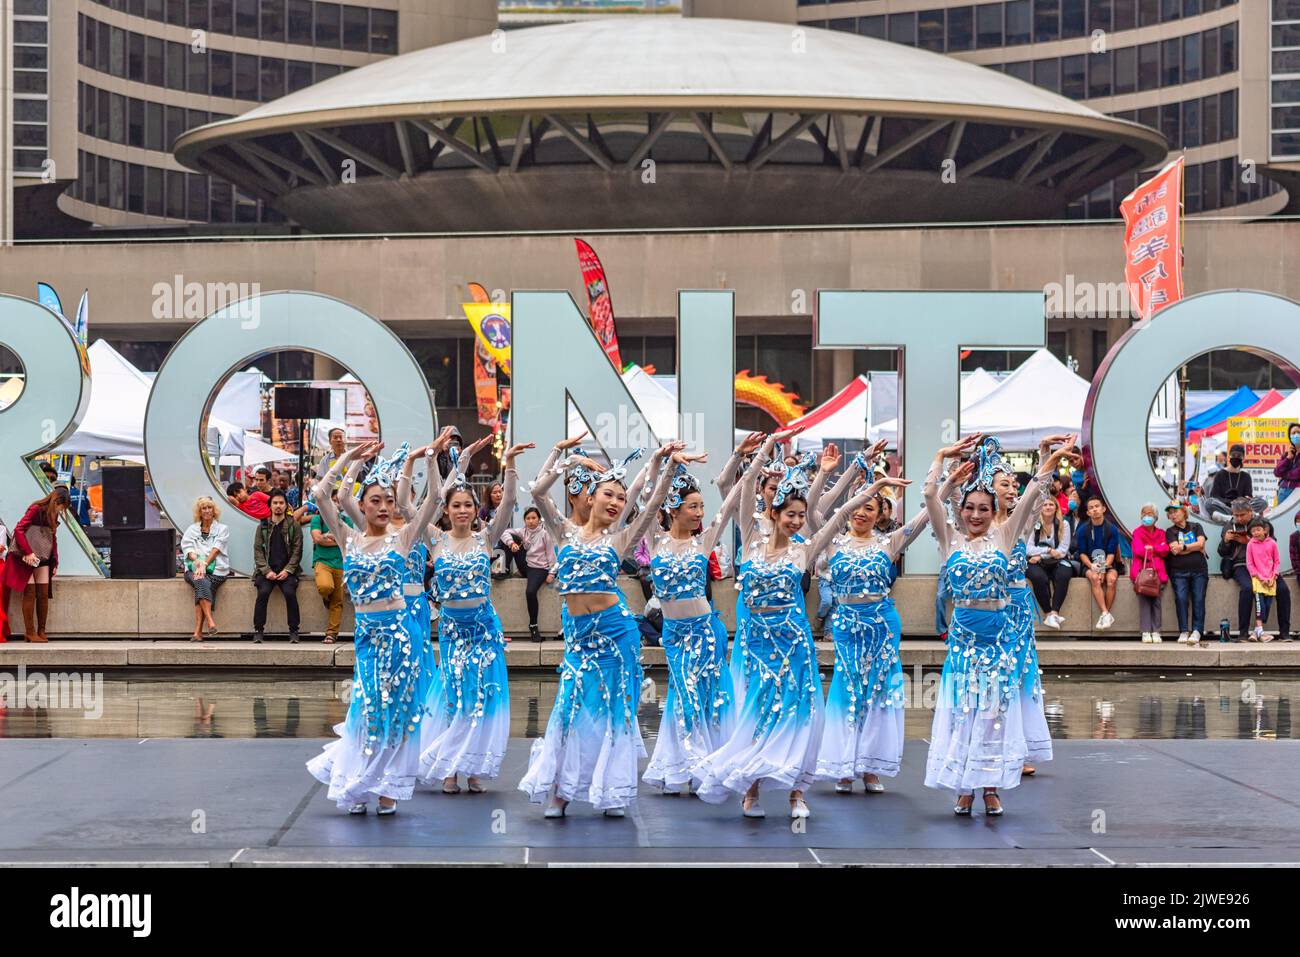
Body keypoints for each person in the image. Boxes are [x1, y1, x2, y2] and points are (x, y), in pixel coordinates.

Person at [694, 433, 891, 820]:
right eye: (792, 515)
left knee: (801, 715)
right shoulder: (750, 537)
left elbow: (836, 515)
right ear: (774, 512)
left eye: (802, 516)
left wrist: (874, 483)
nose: (798, 521)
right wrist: (761, 453)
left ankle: (798, 791)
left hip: (794, 644)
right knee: (759, 713)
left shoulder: (805, 548)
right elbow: (745, 486)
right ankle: (751, 789)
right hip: (756, 644)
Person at [519, 439, 683, 819]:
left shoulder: (621, 538)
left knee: (615, 709)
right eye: (608, 494)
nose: (615, 502)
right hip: (579, 637)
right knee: (571, 706)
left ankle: (612, 789)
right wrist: (566, 458)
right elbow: (539, 491)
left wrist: (664, 464)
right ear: (590, 496)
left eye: (621, 499)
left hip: (616, 633)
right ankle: (561, 790)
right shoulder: (562, 532)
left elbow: (653, 503)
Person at [923, 433, 1072, 817]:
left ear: (992, 512)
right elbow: (929, 499)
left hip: (997, 642)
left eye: (983, 509)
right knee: (963, 713)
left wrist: (1050, 460)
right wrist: (942, 461)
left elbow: (1032, 495)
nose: (975, 514)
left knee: (993, 714)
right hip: (962, 643)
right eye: (969, 508)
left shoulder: (1005, 537)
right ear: (961, 511)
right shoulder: (949, 540)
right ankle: (964, 787)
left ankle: (990, 787)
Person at [307, 438, 446, 815]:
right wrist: (349, 460)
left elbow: (433, 500)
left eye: (388, 501)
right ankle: (358, 782)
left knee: (398, 711)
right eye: (375, 501)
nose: (384, 507)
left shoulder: (402, 539)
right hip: (368, 638)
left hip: (402, 634)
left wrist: (430, 459)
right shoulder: (348, 538)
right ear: (361, 505)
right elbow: (322, 493)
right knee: (367, 709)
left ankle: (388, 788)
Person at [418, 440, 532, 794]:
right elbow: (417, 505)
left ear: (474, 508)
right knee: (456, 697)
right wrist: (429, 461)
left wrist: (509, 464)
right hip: (453, 630)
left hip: (484, 630)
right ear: (447, 509)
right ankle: (449, 769)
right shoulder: (434, 539)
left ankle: (473, 767)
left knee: (481, 698)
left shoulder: (486, 538)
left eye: (468, 504)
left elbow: (510, 502)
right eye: (457, 505)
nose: (463, 510)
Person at [814, 465, 928, 795]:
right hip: (848, 625)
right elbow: (813, 512)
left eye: (870, 507)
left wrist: (942, 482)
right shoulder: (831, 542)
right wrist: (855, 477)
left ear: (880, 515)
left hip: (882, 625)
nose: (862, 512)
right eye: (857, 505)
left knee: (878, 692)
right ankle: (844, 765)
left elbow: (923, 519)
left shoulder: (889, 543)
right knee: (848, 691)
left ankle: (871, 765)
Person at [642, 462, 746, 795]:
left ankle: (708, 767)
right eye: (694, 506)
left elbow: (730, 504)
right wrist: (662, 464)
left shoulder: (704, 541)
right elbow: (648, 499)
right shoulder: (655, 539)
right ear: (674, 509)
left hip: (705, 630)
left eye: (702, 506)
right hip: (674, 633)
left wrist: (748, 460)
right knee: (683, 697)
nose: (701, 512)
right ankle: (682, 765)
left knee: (709, 697)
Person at [0, 487, 70, 643]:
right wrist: (28, 552)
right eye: (61, 506)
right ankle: (30, 632)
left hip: (43, 558)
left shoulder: (54, 514)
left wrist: (55, 561)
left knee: (43, 594)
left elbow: (53, 538)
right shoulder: (36, 509)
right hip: (26, 558)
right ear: (56, 501)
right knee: (30, 593)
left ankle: (41, 631)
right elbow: (19, 530)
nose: (61, 510)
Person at [1220, 498, 1292, 641]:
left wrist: (1250, 541)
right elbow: (1222, 552)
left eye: (1242, 514)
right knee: (1247, 588)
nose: (1239, 518)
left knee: (1283, 589)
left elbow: (1272, 544)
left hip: (1265, 566)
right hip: (1241, 565)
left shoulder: (1263, 524)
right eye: (1236, 515)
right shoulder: (1229, 525)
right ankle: (1243, 633)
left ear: (1250, 512)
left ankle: (1285, 632)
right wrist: (1226, 541)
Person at [252, 489, 303, 643]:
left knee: (289, 592)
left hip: (287, 571)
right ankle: (258, 630)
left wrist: (288, 570)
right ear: (270, 506)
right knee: (263, 592)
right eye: (275, 503)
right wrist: (266, 571)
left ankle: (294, 631)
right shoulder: (262, 526)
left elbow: (297, 551)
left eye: (281, 503)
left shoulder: (294, 525)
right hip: (267, 572)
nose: (278, 506)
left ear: (286, 505)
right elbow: (258, 551)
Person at [499, 507, 556, 641]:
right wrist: (512, 543)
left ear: (539, 519)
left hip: (539, 568)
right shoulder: (522, 531)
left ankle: (533, 626)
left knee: (530, 592)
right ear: (524, 520)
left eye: (533, 518)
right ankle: (504, 570)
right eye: (528, 518)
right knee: (512, 537)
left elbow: (551, 555)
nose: (531, 521)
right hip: (526, 565)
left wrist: (552, 573)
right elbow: (504, 532)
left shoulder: (544, 534)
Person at [180, 497, 230, 642]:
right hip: (194, 569)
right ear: (199, 512)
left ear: (214, 511)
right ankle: (210, 621)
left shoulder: (223, 529)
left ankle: (198, 632)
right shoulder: (192, 529)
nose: (207, 511)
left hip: (216, 570)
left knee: (201, 583)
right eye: (204, 508)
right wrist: (197, 563)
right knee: (200, 579)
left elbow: (216, 549)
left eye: (210, 508)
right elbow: (188, 549)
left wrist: (204, 565)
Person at [1074, 494, 1124, 630]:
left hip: (1108, 563)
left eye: (1097, 506)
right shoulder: (1083, 530)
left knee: (1111, 579)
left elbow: (1111, 554)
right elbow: (1082, 554)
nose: (1094, 509)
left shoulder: (1112, 529)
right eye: (1091, 508)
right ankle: (1106, 613)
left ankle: (1104, 615)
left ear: (1103, 509)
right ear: (1088, 512)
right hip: (1089, 564)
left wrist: (1102, 568)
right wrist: (1093, 567)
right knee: (1095, 579)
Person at [310, 489, 350, 644]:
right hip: (322, 561)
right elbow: (317, 539)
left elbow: (348, 541)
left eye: (336, 500)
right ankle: (325, 597)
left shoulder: (346, 521)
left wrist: (327, 537)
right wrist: (335, 539)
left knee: (338, 601)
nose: (334, 503)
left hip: (341, 563)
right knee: (325, 587)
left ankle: (332, 633)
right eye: (331, 500)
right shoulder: (317, 519)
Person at [1164, 501, 1208, 644]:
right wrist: (1192, 548)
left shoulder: (1196, 526)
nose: (1173, 514)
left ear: (1184, 511)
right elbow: (1174, 550)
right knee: (1181, 599)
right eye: (1170, 512)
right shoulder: (1170, 532)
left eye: (1175, 511)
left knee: (1199, 599)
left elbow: (1201, 544)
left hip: (1199, 571)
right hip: (1178, 572)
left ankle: (1197, 631)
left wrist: (1183, 547)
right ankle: (1183, 630)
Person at [1026, 496, 1072, 628]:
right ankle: (1047, 613)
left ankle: (1054, 612)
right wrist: (1048, 550)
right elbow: (1028, 549)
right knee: (1038, 577)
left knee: (1064, 573)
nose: (1047, 507)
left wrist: (1041, 556)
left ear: (1056, 507)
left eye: (1051, 504)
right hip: (1035, 562)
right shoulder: (1034, 524)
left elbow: (1061, 551)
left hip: (1055, 561)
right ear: (1040, 508)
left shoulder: (1064, 524)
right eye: (1045, 505)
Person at [1130, 503, 1169, 643]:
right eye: (1144, 514)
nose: (1146, 517)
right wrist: (1157, 548)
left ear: (1156, 517)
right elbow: (1139, 550)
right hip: (1142, 573)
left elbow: (1166, 550)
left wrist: (1151, 548)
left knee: (1156, 602)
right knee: (1145, 602)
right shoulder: (1137, 532)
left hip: (1158, 573)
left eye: (1150, 514)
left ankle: (1156, 631)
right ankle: (1146, 631)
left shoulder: (1161, 533)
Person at [1246, 518, 1281, 642]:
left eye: (1258, 530)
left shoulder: (1272, 543)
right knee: (1259, 605)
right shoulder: (1250, 544)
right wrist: (1259, 577)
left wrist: (1274, 576)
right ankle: (1260, 630)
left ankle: (1256, 632)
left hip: (1271, 580)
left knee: (1266, 606)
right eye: (1253, 530)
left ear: (1264, 530)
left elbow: (1277, 562)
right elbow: (1250, 564)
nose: (1256, 532)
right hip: (1258, 580)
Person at [1206, 443, 1253, 519]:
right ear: (1229, 456)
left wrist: (1238, 502)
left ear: (1243, 458)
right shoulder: (1220, 474)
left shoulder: (1246, 476)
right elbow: (1215, 496)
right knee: (1209, 503)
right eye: (1233, 455)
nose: (1236, 458)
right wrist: (1228, 502)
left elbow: (1248, 497)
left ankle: (1234, 516)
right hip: (1224, 507)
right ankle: (1233, 517)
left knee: (1260, 502)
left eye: (1239, 456)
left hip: (1241, 508)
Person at [1274, 423, 1300, 504]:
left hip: (1297, 493)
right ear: (1290, 437)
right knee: (1282, 516)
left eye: (1298, 432)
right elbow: (1277, 472)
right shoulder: (1286, 454)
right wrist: (1288, 458)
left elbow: (1297, 474)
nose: (1296, 435)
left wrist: (1285, 475)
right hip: (1283, 492)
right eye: (1293, 433)